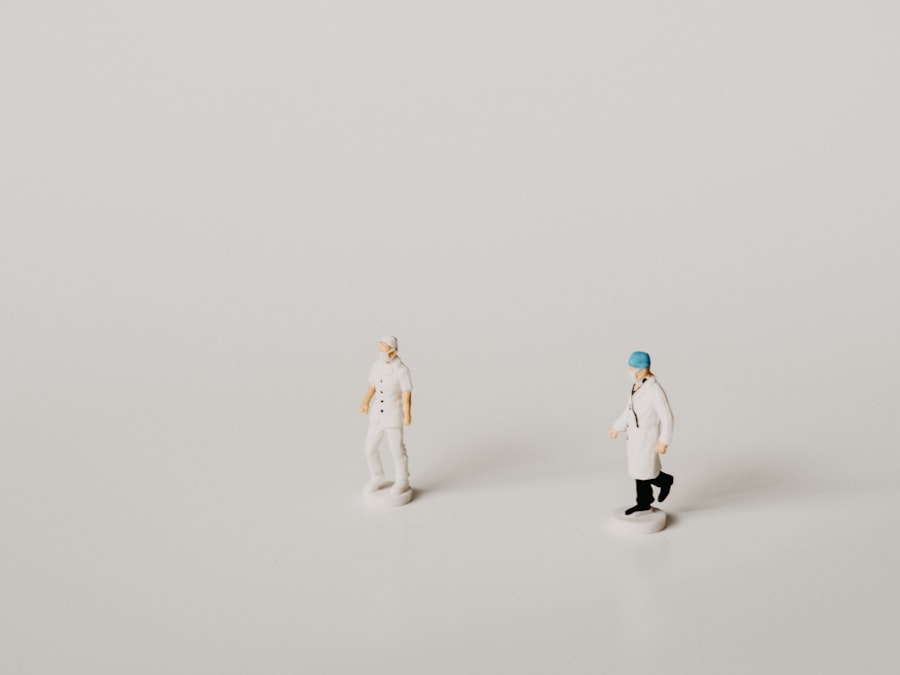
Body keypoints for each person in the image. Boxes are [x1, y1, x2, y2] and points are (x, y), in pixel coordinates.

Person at [608, 351, 674, 515]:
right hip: (635, 438)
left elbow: (667, 417)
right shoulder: (637, 386)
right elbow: (628, 411)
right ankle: (644, 502)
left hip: (647, 438)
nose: (630, 372)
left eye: (632, 368)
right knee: (639, 471)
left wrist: (663, 441)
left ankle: (665, 481)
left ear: (642, 369)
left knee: (646, 471)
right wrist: (616, 427)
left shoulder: (654, 391)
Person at [359, 336, 412, 495]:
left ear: (393, 351)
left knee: (397, 450)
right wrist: (365, 402)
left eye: (383, 349)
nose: (380, 352)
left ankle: (402, 480)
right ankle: (377, 476)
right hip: (377, 415)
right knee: (369, 449)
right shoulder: (377, 365)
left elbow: (406, 394)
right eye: (379, 348)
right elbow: (372, 387)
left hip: (393, 415)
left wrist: (407, 414)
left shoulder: (401, 371)